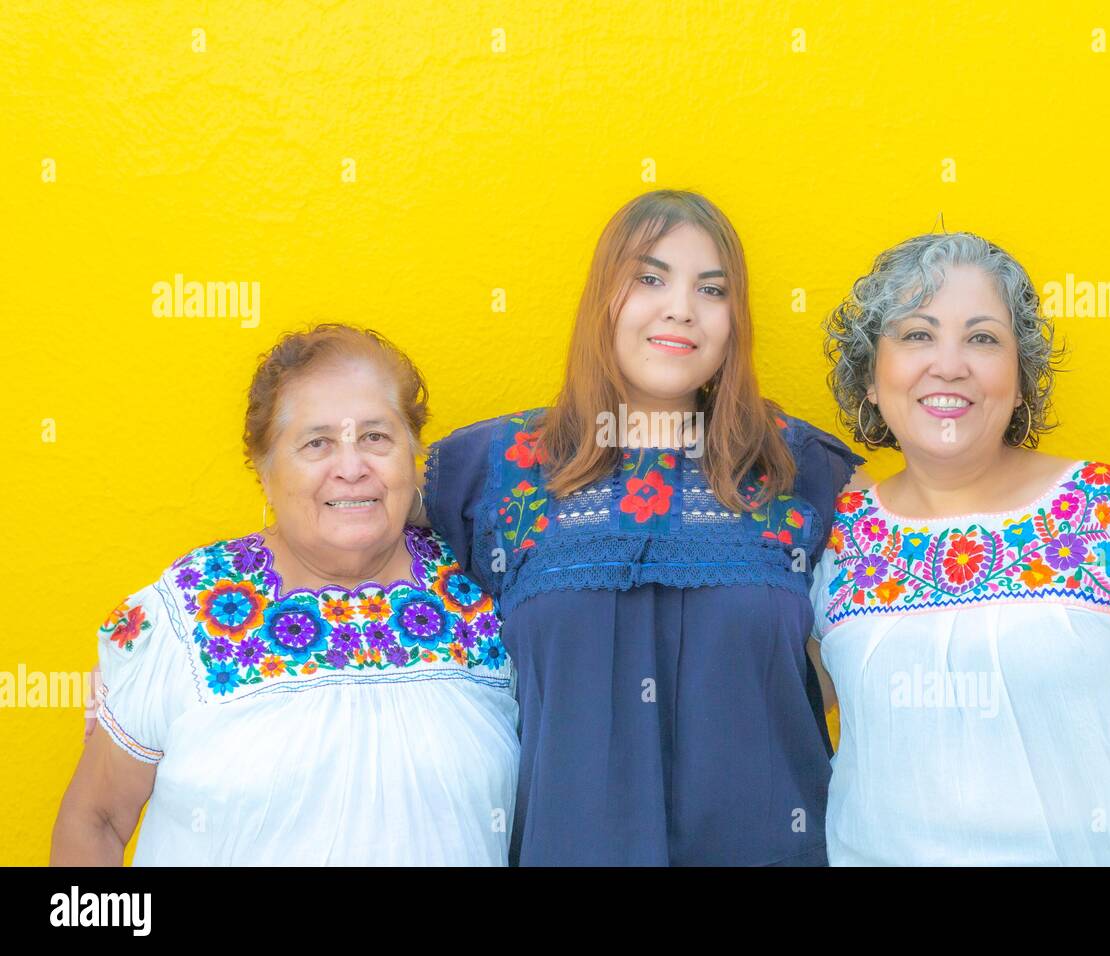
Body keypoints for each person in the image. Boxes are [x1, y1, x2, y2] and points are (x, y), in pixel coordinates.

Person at [425, 190, 864, 865]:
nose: (680, 308)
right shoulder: (489, 473)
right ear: (604, 296)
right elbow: (351, 538)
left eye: (711, 290)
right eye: (649, 278)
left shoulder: (805, 471)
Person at [811, 232, 1110, 865]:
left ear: (1019, 383)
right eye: (916, 335)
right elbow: (775, 708)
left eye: (983, 338)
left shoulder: (1109, 512)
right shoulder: (833, 538)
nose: (950, 364)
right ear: (871, 379)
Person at [52, 324, 518, 865]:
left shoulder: (483, 592)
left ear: (414, 457)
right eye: (316, 442)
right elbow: (97, 821)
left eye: (375, 437)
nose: (350, 467)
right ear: (264, 471)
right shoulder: (187, 610)